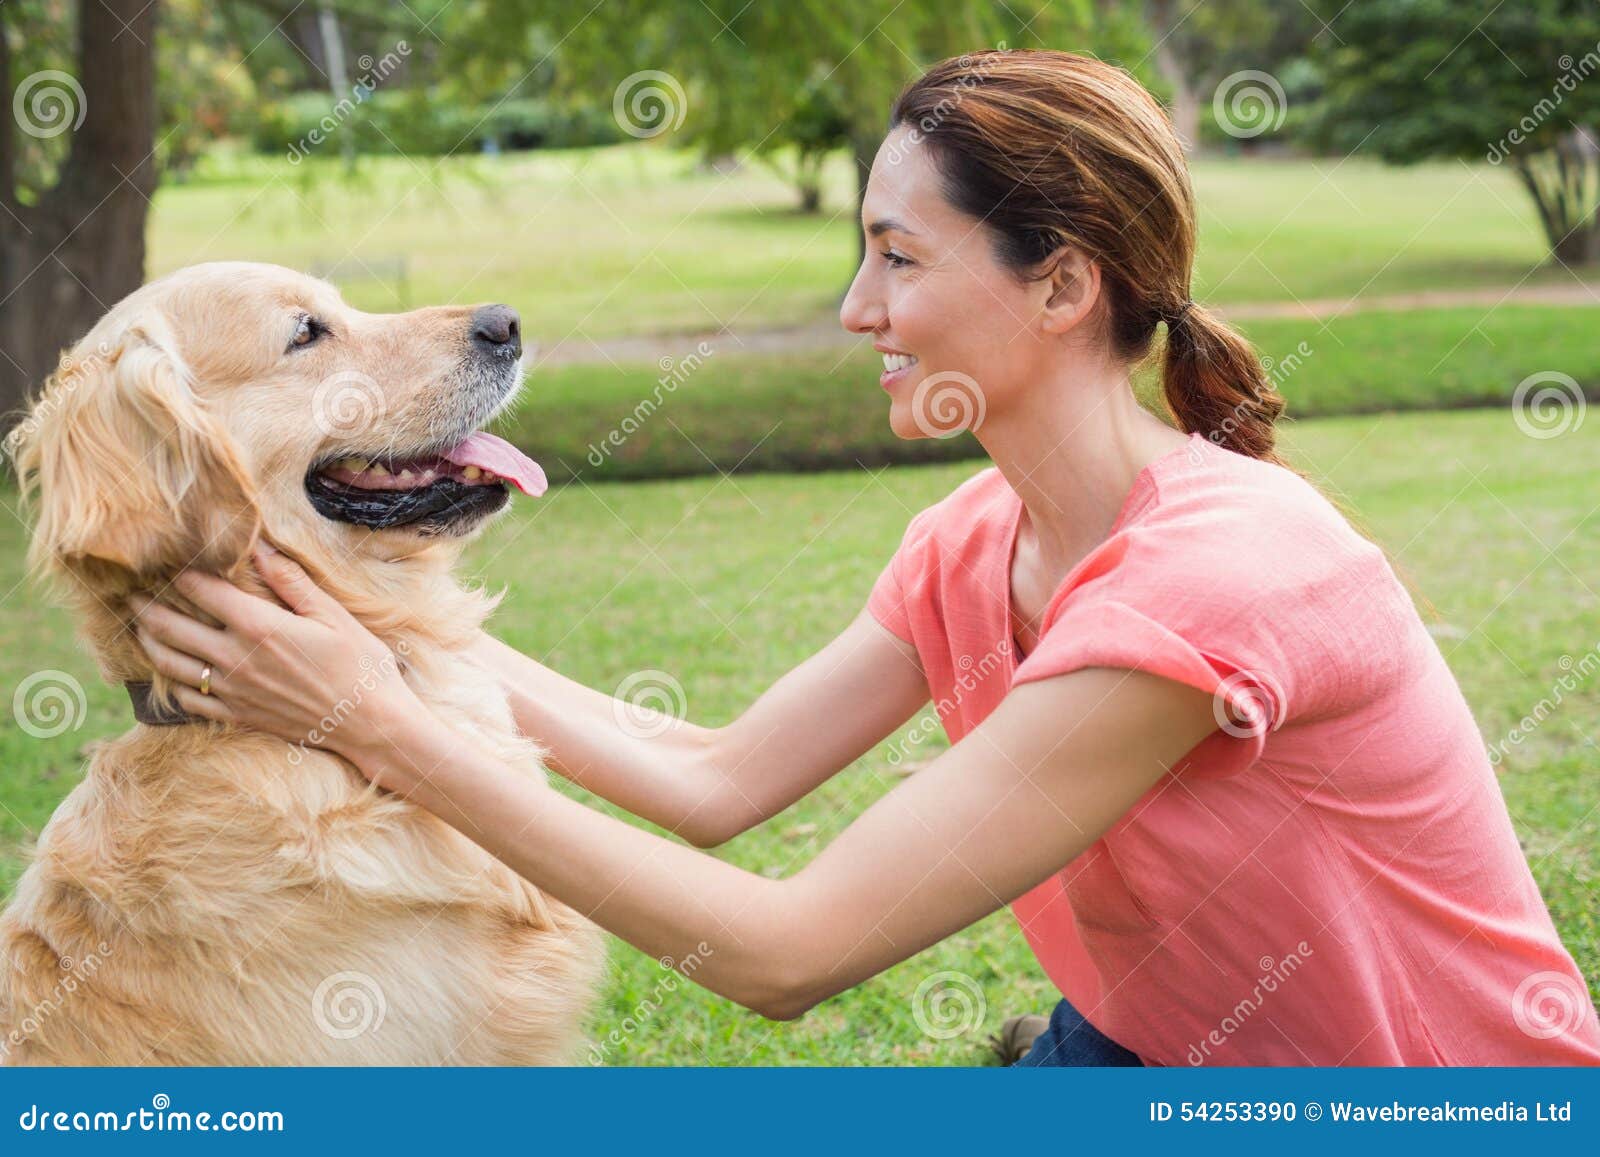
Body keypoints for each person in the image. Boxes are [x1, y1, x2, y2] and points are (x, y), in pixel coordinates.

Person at [129, 49, 1600, 1066]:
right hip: (1152, 1048)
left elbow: (788, 951)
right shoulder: (974, 541)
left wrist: (373, 718)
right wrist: (370, 633)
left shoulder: (1218, 576)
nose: (855, 307)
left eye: (900, 257)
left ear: (1063, 285)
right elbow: (712, 778)